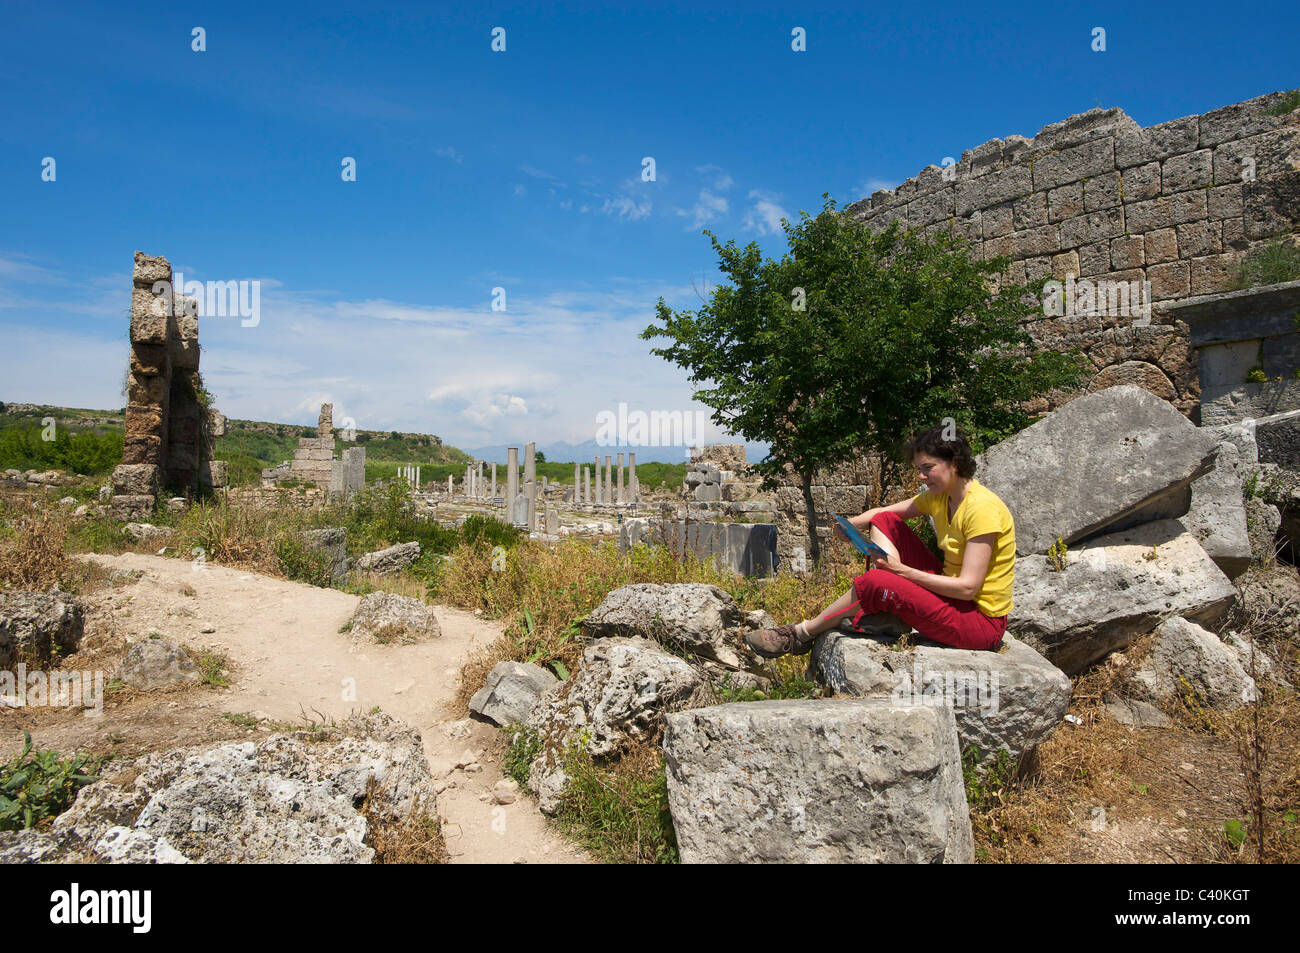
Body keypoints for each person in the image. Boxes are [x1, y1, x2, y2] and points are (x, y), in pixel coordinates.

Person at [745, 424, 1016, 658]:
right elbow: (883, 514)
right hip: (954, 602)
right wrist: (851, 525)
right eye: (919, 469)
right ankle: (885, 601)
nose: (921, 476)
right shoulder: (941, 496)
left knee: (878, 581)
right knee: (885, 521)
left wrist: (899, 572)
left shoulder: (981, 509)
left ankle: (800, 634)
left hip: (979, 625)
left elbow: (968, 588)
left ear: (954, 463)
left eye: (928, 468)